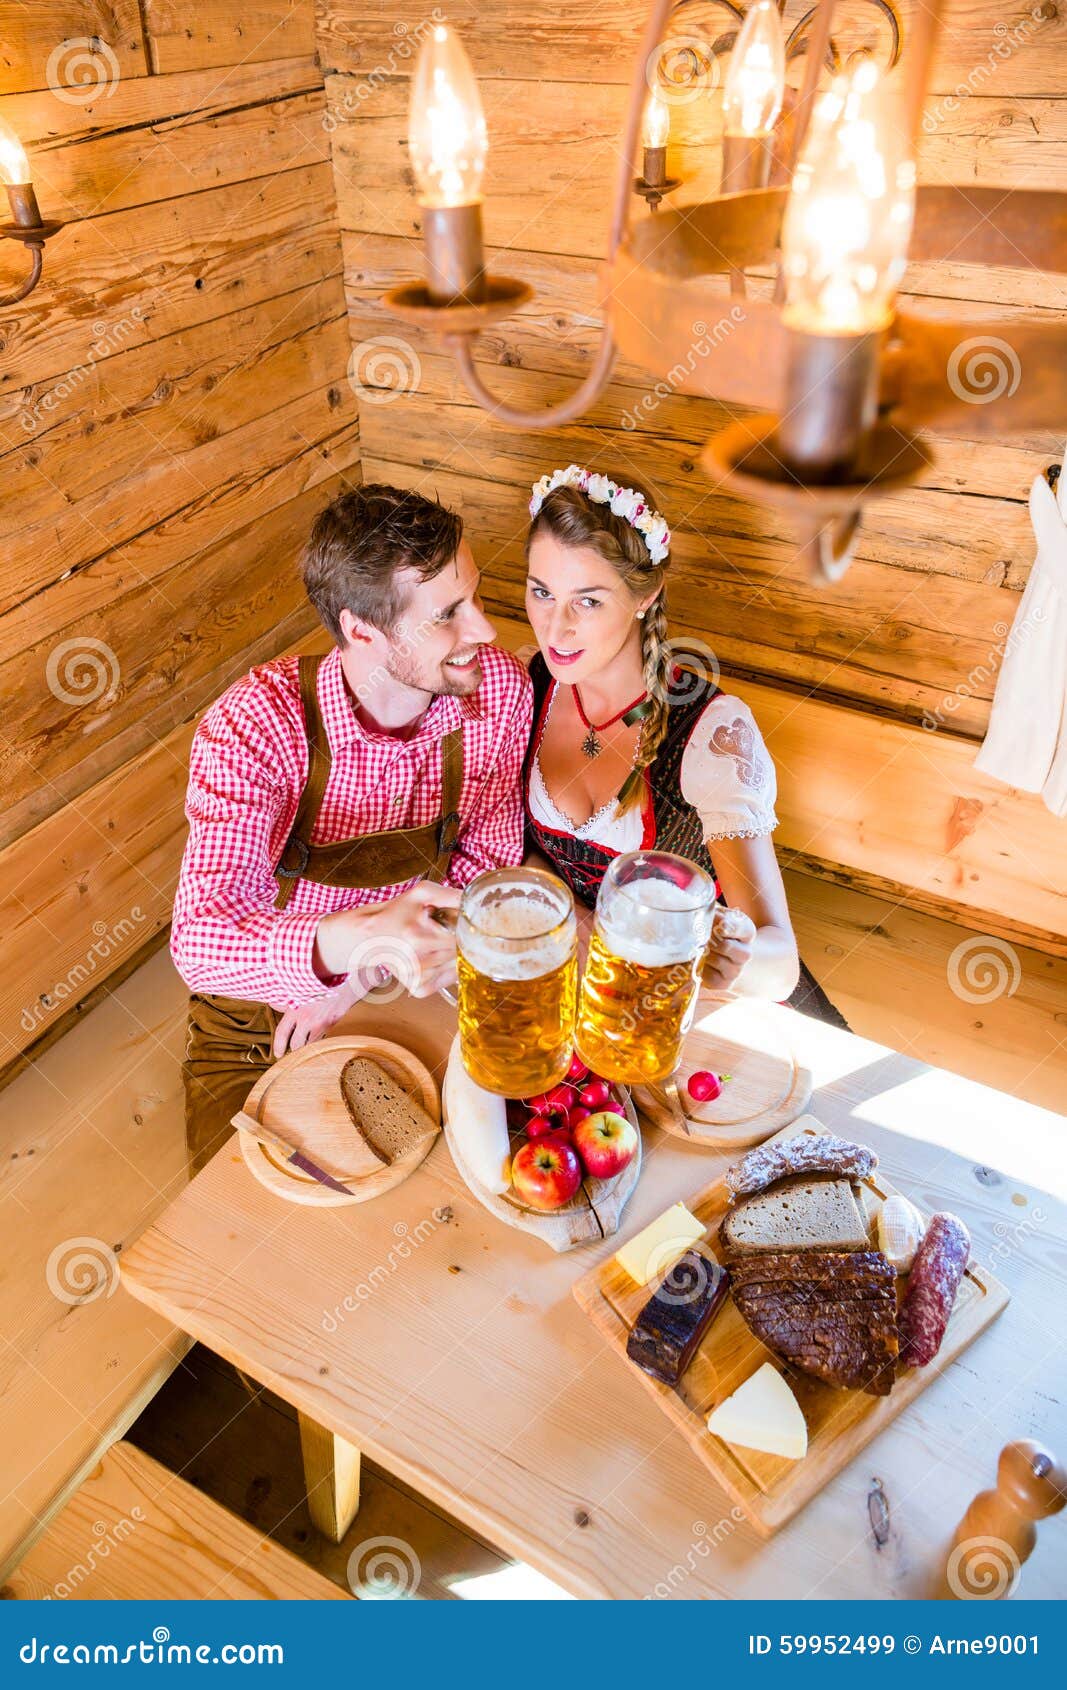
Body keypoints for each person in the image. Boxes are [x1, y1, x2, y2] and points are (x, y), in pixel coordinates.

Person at [171, 483, 533, 1174]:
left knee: (463, 1185)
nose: (484, 631)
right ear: (363, 632)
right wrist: (353, 943)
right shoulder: (254, 725)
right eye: (448, 615)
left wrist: (359, 975)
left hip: (404, 981)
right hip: (255, 1011)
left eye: (474, 598)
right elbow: (201, 940)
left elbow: (486, 857)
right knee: (244, 1219)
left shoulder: (497, 693)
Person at [521, 463, 849, 1026]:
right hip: (579, 980)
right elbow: (522, 848)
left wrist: (725, 957)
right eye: (542, 592)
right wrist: (575, 921)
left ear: (646, 595)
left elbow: (779, 962)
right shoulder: (536, 684)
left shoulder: (712, 732)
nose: (555, 629)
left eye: (589, 601)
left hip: (696, 1000)